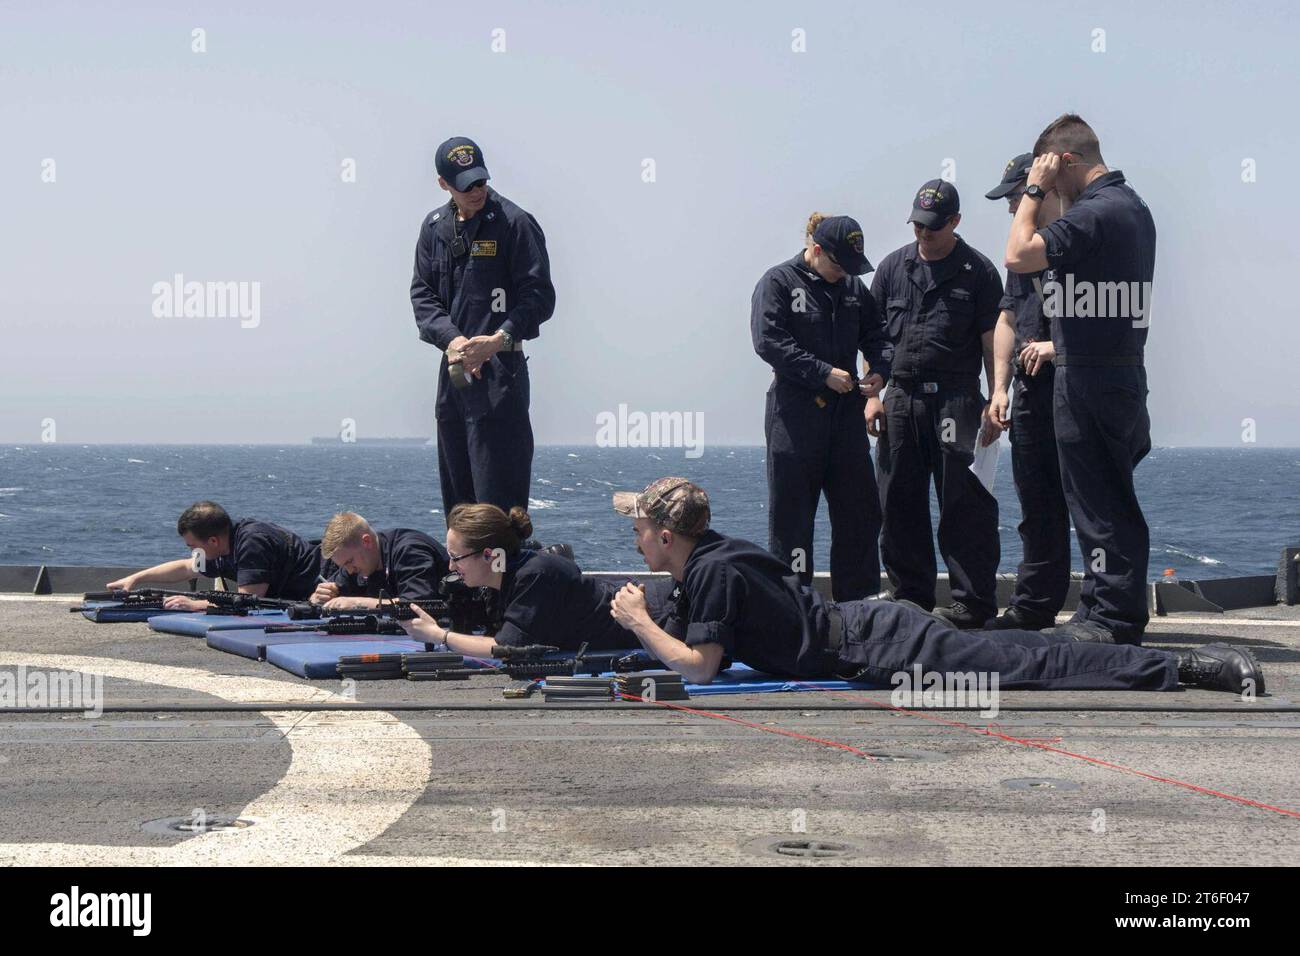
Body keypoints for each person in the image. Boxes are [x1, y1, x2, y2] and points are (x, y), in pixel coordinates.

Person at [606, 478, 1263, 695]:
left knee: (1027, 665)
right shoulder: (718, 556)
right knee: (1023, 656)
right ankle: (1163, 667)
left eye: (639, 528)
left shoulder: (713, 572)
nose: (633, 540)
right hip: (871, 629)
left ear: (667, 536)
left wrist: (639, 620)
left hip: (882, 647)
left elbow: (700, 669)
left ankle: (1182, 670)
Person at [1005, 114, 1156, 645]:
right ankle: (1100, 610)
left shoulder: (1098, 212)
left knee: (1102, 504)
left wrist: (1033, 189)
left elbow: (1018, 254)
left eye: (1051, 171)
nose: (1049, 186)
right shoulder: (1128, 208)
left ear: (1066, 161)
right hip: (1106, 371)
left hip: (1092, 376)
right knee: (1098, 500)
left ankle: (1112, 619)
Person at [870, 180, 1004, 629]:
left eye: (931, 227)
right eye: (917, 226)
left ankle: (973, 603)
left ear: (955, 223)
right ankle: (911, 596)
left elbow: (992, 340)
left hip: (958, 400)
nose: (922, 235)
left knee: (964, 506)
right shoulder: (892, 268)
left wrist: (997, 395)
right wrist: (872, 396)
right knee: (898, 503)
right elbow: (872, 339)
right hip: (901, 399)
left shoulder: (979, 272)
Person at [410, 136, 556, 517]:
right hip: (455, 373)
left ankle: (504, 571)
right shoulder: (434, 228)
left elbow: (540, 296)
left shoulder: (515, 223)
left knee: (498, 499)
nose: (477, 191)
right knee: (459, 499)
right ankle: (464, 570)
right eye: (466, 185)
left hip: (500, 374)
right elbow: (422, 296)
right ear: (444, 184)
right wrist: (454, 340)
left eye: (481, 181)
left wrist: (499, 338)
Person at [750, 213, 890, 600]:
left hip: (844, 421)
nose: (843, 272)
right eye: (838, 264)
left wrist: (879, 372)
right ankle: (794, 609)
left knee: (860, 516)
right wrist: (822, 373)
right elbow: (769, 342)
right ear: (816, 250)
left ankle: (860, 608)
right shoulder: (777, 282)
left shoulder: (853, 288)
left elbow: (879, 335)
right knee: (792, 524)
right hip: (795, 420)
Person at [983, 154, 1073, 630]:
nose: (1012, 208)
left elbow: (1118, 320)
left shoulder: (1084, 240)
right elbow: (1007, 318)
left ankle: (1105, 610)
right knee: (1036, 505)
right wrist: (998, 389)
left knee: (1094, 506)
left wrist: (1057, 346)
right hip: (1031, 396)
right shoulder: (1023, 253)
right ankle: (1035, 605)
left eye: (1017, 197)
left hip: (1080, 391)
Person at [399, 503, 671, 656]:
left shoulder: (534, 574)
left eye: (456, 557)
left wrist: (438, 635)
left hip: (661, 619)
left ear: (489, 556)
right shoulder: (503, 578)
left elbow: (505, 647)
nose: (451, 565)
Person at [105, 501, 321, 610]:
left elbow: (245, 602)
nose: (192, 551)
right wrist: (135, 579)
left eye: (193, 546)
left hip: (326, 582)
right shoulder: (221, 545)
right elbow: (185, 567)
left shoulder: (251, 544)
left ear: (213, 541)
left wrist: (194, 604)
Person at [311, 513, 450, 610]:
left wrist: (357, 603)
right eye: (342, 566)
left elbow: (419, 605)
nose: (349, 570)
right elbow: (331, 592)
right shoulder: (357, 564)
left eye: (349, 562)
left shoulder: (409, 551)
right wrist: (318, 598)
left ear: (366, 541)